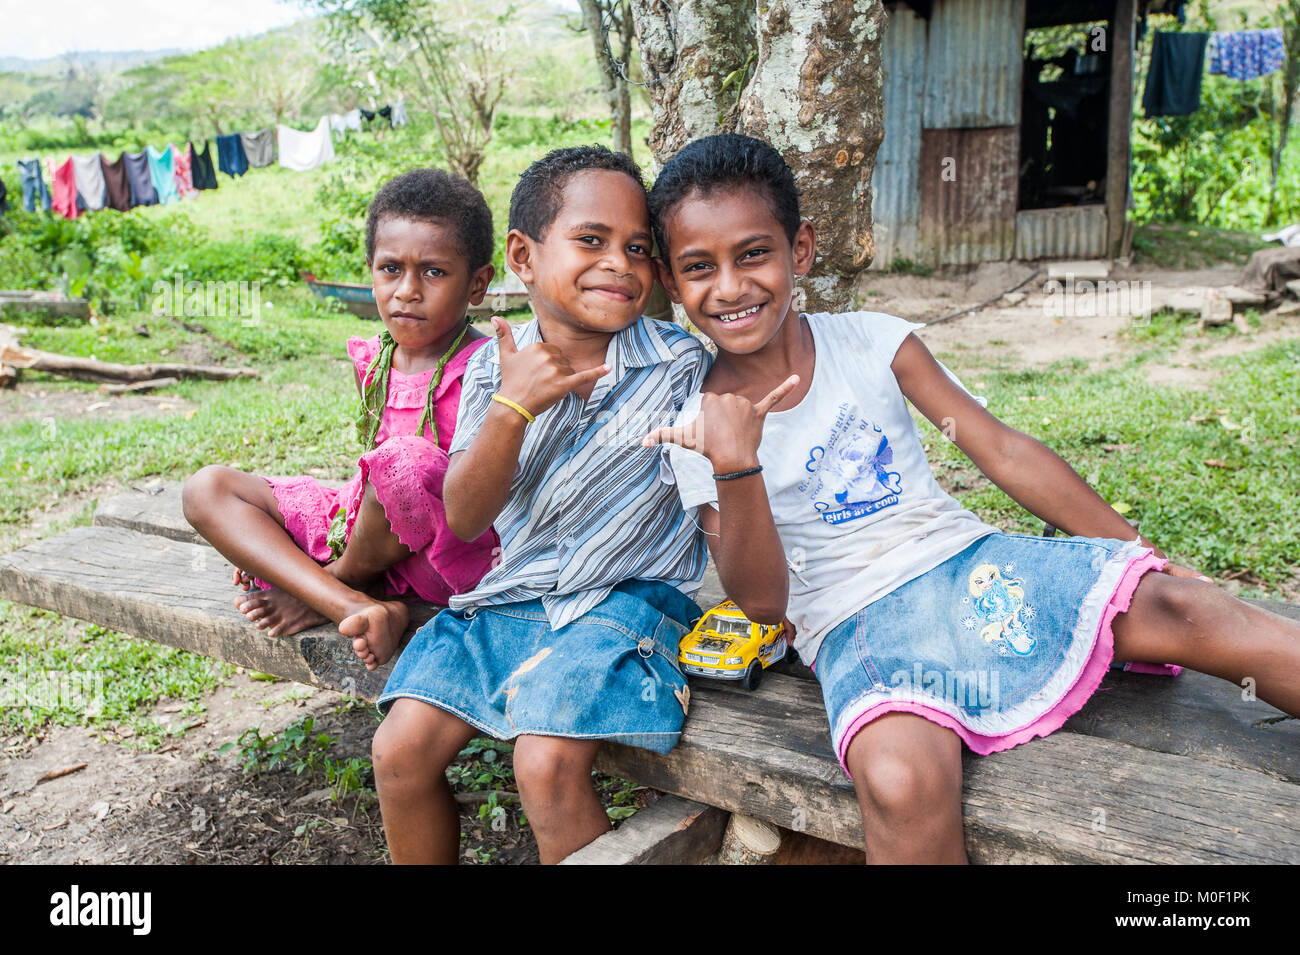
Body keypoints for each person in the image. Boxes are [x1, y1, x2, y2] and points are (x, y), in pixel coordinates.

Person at [643, 133, 1300, 864]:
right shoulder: (693, 425)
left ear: (800, 249)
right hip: (857, 624)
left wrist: (1139, 553)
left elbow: (1003, 449)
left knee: (1190, 607)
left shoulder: (873, 342)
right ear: (673, 282)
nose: (730, 286)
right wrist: (737, 466)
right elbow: (764, 604)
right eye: (700, 267)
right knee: (899, 778)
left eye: (753, 253)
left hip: (973, 568)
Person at [371, 145, 712, 864]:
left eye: (638, 248)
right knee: (398, 749)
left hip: (632, 602)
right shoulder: (495, 364)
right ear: (523, 257)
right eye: (592, 240)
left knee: (544, 760)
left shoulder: (679, 362)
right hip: (514, 597)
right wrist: (511, 409)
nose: (620, 263)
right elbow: (462, 517)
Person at [182, 168, 500, 670]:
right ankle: (356, 603)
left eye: (434, 272)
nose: (407, 291)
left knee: (406, 461)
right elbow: (367, 475)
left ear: (478, 283)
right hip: (371, 536)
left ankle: (326, 589)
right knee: (208, 489)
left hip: (445, 555)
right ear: (370, 269)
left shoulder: (488, 370)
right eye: (390, 269)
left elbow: (464, 490)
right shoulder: (372, 357)